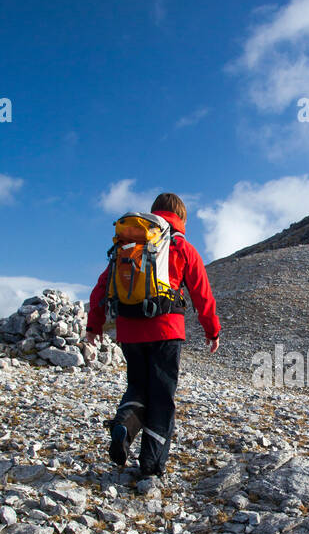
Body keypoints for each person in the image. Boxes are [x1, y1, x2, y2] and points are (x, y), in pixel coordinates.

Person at [85, 192, 220, 477]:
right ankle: (151, 465)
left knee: (137, 385)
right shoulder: (180, 245)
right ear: (181, 218)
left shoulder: (130, 244)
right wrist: (212, 330)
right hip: (166, 331)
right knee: (161, 396)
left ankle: (124, 424)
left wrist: (93, 326)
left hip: (128, 329)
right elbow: (202, 294)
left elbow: (102, 287)